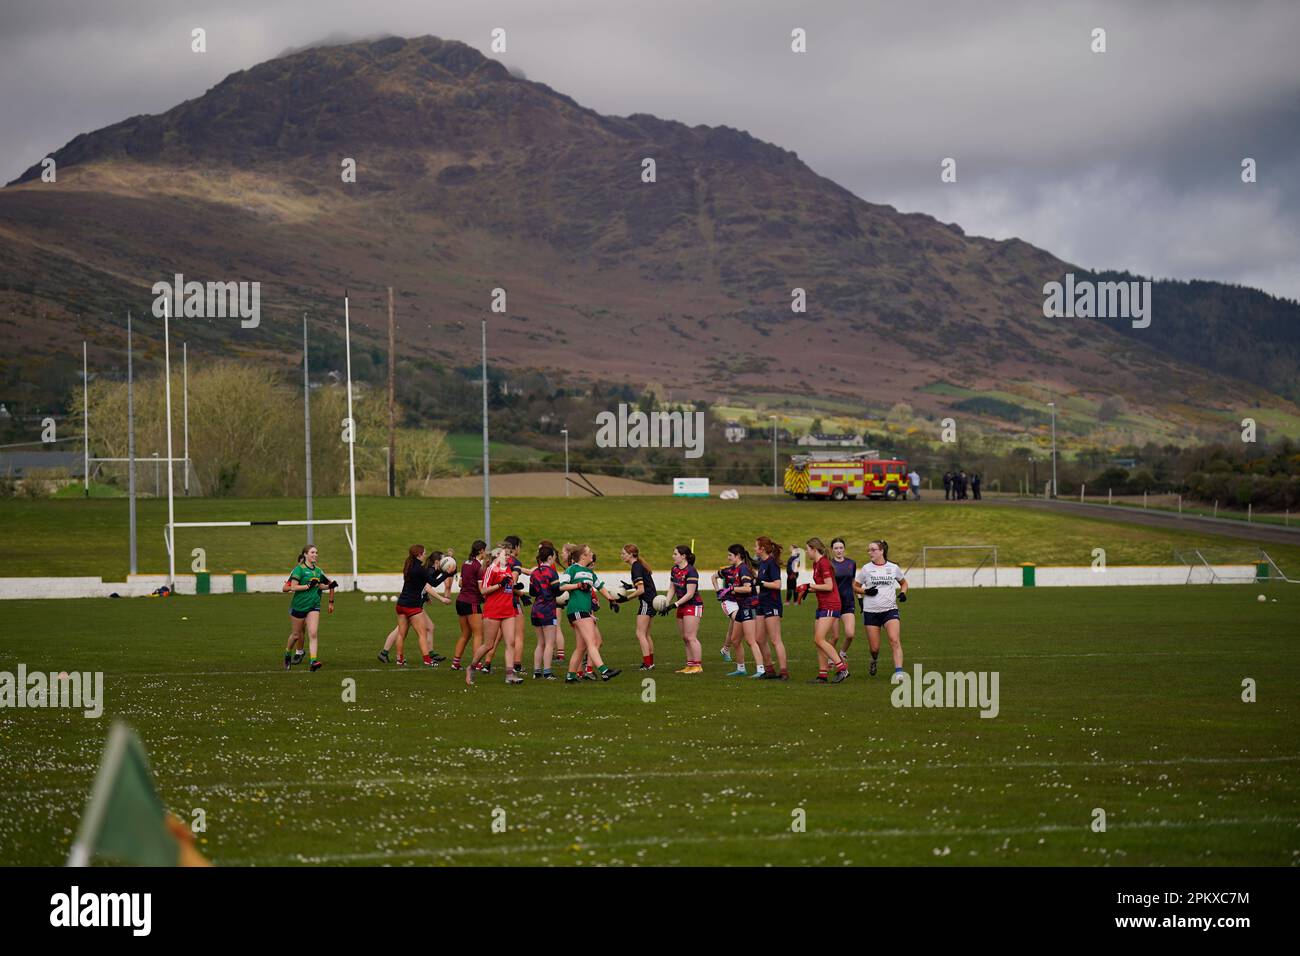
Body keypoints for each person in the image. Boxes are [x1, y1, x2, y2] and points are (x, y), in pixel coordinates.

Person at [378, 545, 452, 667]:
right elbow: (433, 582)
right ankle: (428, 660)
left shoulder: (410, 566)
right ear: (419, 555)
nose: (425, 555)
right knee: (422, 634)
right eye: (424, 553)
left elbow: (426, 579)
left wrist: (441, 571)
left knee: (401, 634)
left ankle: (399, 660)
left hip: (401, 603)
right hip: (412, 605)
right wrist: (447, 574)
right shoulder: (420, 568)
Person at [557, 545, 623, 683]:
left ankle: (570, 677)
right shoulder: (572, 569)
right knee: (592, 642)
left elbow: (600, 587)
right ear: (583, 556)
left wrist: (611, 601)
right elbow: (562, 585)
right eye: (589, 552)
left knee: (581, 647)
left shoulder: (590, 573)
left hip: (583, 612)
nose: (592, 553)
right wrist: (578, 585)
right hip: (577, 610)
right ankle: (604, 671)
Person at [465, 545, 524, 685]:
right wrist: (499, 585)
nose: (509, 557)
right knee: (488, 645)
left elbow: (507, 587)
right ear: (498, 556)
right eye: (506, 554)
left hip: (508, 610)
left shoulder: (508, 569)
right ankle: (471, 667)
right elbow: (483, 591)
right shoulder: (491, 569)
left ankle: (510, 675)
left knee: (511, 642)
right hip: (493, 611)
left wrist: (518, 591)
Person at [852, 539, 908, 677]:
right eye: (868, 550)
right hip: (871, 612)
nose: (870, 552)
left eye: (873, 549)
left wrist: (903, 593)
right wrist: (865, 591)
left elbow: (903, 582)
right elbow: (855, 586)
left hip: (890, 610)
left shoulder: (893, 567)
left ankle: (899, 672)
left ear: (881, 551)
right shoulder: (866, 569)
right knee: (874, 648)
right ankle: (874, 659)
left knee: (894, 640)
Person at [800, 537, 849, 684]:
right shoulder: (817, 563)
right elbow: (823, 587)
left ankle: (842, 668)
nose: (807, 552)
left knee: (819, 639)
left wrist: (809, 586)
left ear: (814, 549)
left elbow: (829, 587)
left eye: (807, 549)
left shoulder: (824, 563)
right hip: (822, 604)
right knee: (818, 641)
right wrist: (808, 590)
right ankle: (822, 675)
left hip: (830, 605)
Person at [282, 545, 335, 672]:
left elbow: (319, 586)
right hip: (299, 606)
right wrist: (307, 586)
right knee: (296, 635)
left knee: (313, 633)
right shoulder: (299, 570)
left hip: (313, 606)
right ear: (305, 554)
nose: (315, 554)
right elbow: (293, 587)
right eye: (312, 552)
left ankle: (313, 661)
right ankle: (287, 654)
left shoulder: (318, 570)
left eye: (316, 552)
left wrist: (329, 586)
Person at [724, 544, 770, 678]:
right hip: (742, 608)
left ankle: (761, 670)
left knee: (750, 640)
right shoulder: (737, 568)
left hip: (749, 607)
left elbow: (748, 588)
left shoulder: (743, 569)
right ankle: (741, 668)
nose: (728, 558)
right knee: (735, 639)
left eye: (730, 555)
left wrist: (731, 589)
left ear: (738, 556)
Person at [663, 545, 704, 673]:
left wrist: (674, 605)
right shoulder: (674, 569)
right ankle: (690, 665)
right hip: (681, 605)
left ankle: (697, 666)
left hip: (693, 605)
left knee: (691, 637)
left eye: (675, 554)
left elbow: (690, 594)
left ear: (683, 556)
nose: (673, 556)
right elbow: (672, 588)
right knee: (685, 637)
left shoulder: (691, 571)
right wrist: (666, 602)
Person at [754, 536, 789, 680]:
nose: (754, 549)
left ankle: (784, 672)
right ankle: (769, 670)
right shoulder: (762, 563)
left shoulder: (771, 563)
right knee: (759, 638)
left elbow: (777, 584)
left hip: (772, 604)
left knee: (775, 639)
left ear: (762, 548)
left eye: (756, 546)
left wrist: (760, 583)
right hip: (762, 603)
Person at [451, 540, 486, 671]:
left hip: (460, 601)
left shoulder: (466, 563)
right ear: (481, 551)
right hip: (471, 602)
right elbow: (481, 589)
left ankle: (455, 662)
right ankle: (476, 663)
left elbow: (460, 583)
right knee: (478, 634)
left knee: (465, 634)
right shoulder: (478, 566)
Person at [621, 544, 657, 671]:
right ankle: (650, 663)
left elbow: (641, 590)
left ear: (631, 554)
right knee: (646, 634)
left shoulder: (635, 567)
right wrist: (630, 586)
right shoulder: (638, 565)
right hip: (653, 601)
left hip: (647, 602)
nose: (622, 556)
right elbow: (644, 584)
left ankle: (647, 664)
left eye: (623, 553)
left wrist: (625, 599)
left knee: (640, 633)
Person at [529, 544, 562, 679]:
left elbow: (532, 592)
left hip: (536, 609)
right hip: (548, 609)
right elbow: (556, 591)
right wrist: (565, 590)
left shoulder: (535, 572)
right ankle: (547, 672)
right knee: (549, 643)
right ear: (549, 557)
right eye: (554, 556)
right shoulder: (551, 572)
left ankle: (537, 672)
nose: (555, 559)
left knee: (540, 643)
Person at [829, 537, 858, 659]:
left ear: (844, 549)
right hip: (834, 603)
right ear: (832, 550)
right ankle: (830, 658)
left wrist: (860, 598)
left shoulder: (851, 563)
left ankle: (842, 653)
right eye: (836, 548)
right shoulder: (829, 564)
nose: (839, 550)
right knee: (835, 637)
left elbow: (853, 583)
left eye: (841, 548)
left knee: (850, 634)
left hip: (848, 602)